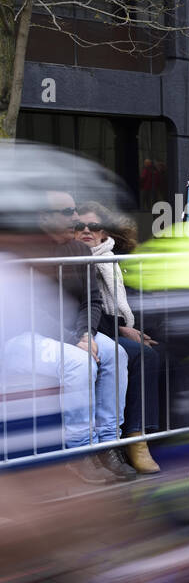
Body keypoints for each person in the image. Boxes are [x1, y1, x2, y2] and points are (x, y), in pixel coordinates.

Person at [2, 185, 131, 483]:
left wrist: (85, 334)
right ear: (43, 217)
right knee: (79, 362)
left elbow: (92, 300)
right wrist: (77, 339)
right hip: (21, 336)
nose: (75, 217)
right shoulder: (25, 251)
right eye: (67, 211)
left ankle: (108, 444)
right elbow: (32, 311)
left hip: (71, 332)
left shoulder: (79, 250)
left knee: (116, 353)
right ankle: (79, 451)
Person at [76, 202, 162, 474]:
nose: (86, 231)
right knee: (140, 355)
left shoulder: (113, 258)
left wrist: (138, 329)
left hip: (112, 328)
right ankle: (134, 440)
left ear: (104, 232)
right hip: (92, 330)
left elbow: (134, 301)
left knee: (165, 353)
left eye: (94, 226)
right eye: (79, 226)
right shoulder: (73, 259)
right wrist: (122, 329)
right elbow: (86, 308)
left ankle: (159, 434)